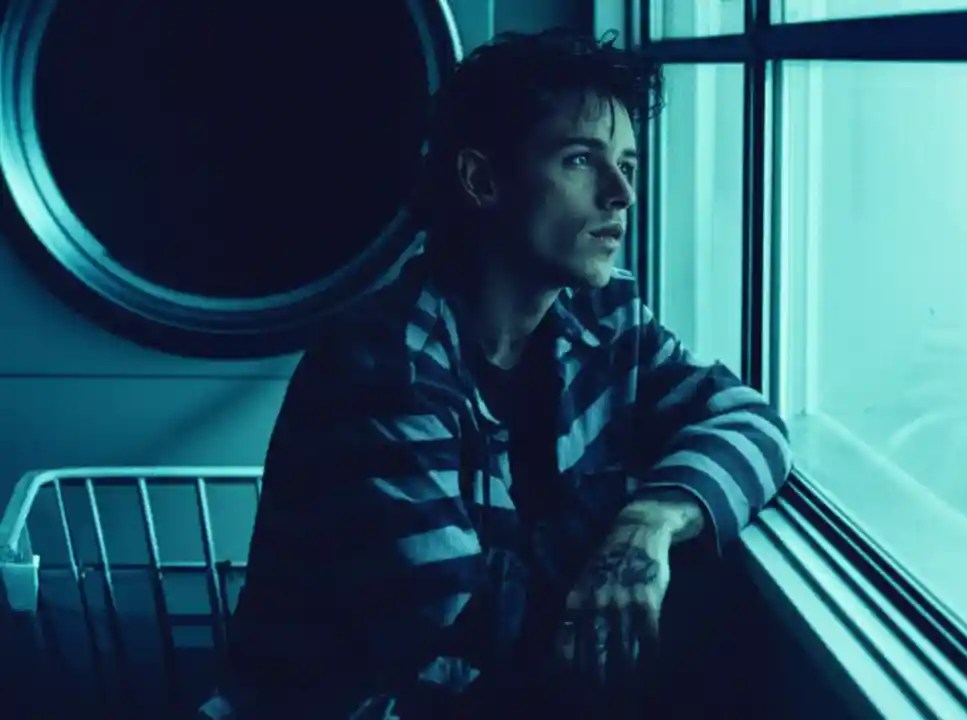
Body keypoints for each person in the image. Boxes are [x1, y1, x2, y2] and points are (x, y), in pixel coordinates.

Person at [208, 28, 792, 719]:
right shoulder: (379, 361)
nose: (621, 195)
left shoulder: (604, 318)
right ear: (483, 180)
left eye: (628, 166)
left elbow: (752, 421)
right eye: (582, 159)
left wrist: (648, 520)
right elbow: (465, 625)